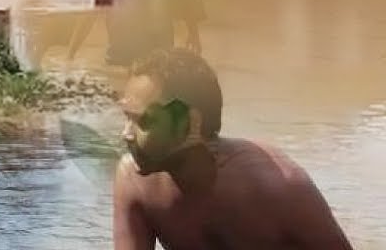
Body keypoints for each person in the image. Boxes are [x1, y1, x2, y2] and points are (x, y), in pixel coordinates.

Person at [113, 48, 353, 249]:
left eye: (143, 121)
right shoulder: (133, 181)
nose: (126, 134)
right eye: (127, 118)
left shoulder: (280, 187)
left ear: (189, 123)